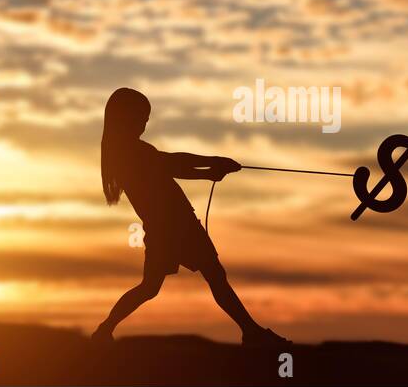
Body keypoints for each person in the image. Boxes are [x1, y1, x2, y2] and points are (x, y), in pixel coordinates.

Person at [92, 87, 290, 346]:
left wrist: (211, 169)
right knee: (213, 276)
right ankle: (251, 332)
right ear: (125, 117)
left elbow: (172, 166)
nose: (145, 123)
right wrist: (213, 164)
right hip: (177, 225)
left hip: (164, 228)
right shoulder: (133, 153)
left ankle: (104, 330)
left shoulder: (127, 152)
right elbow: (172, 163)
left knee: (152, 287)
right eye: (141, 117)